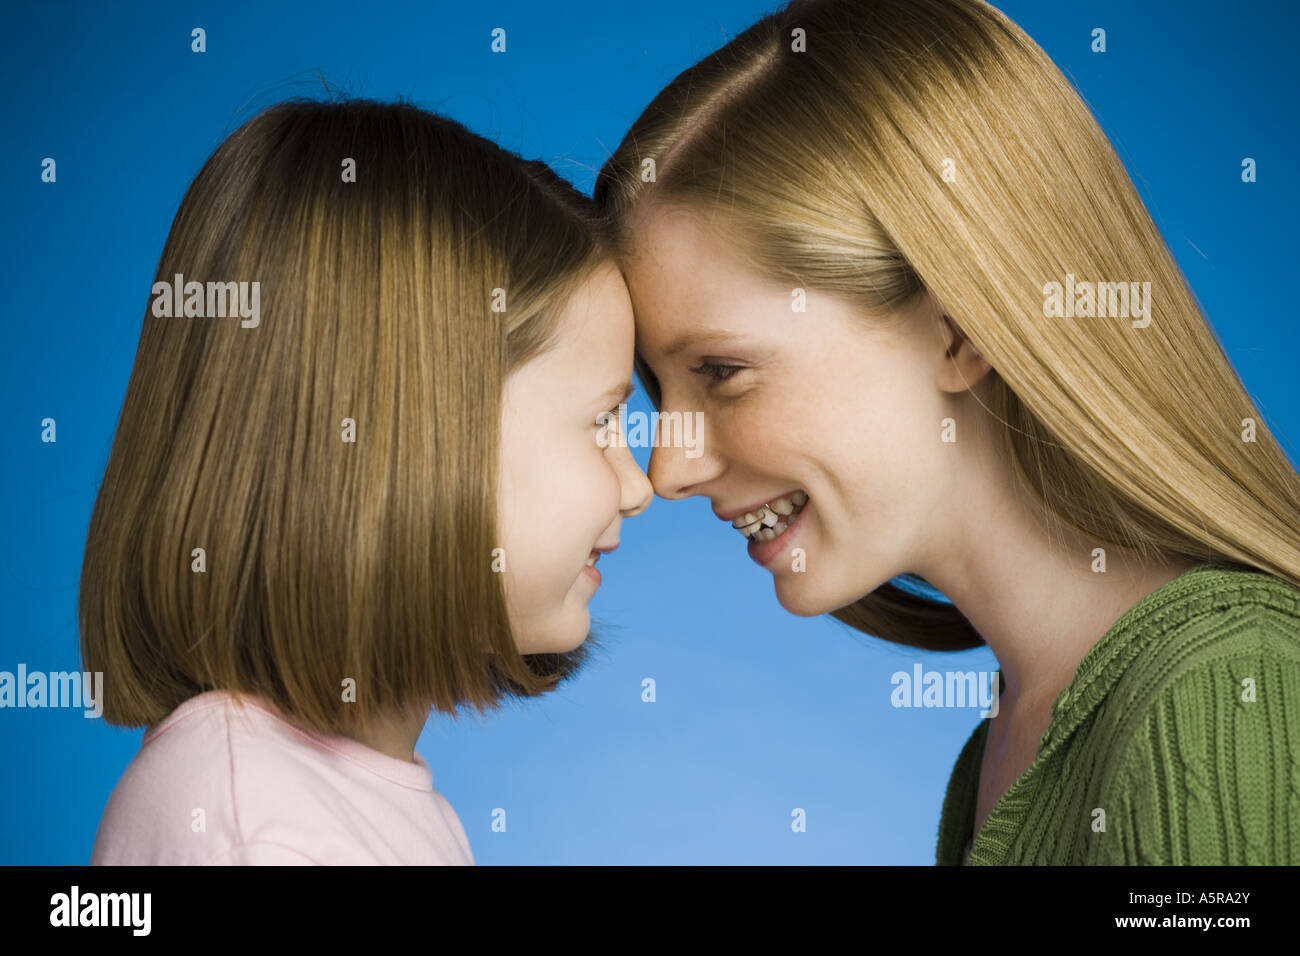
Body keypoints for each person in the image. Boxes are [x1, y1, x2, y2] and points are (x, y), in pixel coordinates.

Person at [594, 0, 1300, 864]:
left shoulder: (1226, 696)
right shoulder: (1006, 744)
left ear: (959, 331)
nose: (667, 467)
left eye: (720, 371)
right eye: (657, 388)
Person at [83, 97, 651, 865]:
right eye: (602, 420)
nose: (637, 487)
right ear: (416, 438)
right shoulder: (261, 831)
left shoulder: (334, 805)